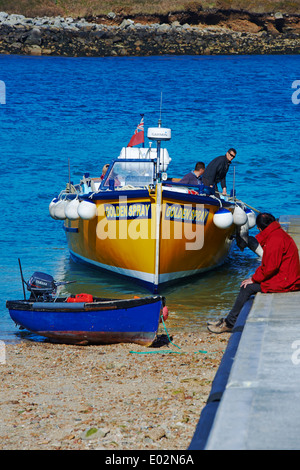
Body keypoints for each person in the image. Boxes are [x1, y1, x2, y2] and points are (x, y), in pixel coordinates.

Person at [207, 212, 300, 334]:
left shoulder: (275, 239)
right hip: (286, 277)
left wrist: (254, 279)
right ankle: (228, 320)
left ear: (260, 228)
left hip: (286, 281)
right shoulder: (277, 234)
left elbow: (270, 268)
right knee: (249, 283)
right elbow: (269, 266)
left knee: (246, 287)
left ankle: (229, 323)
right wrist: (255, 277)